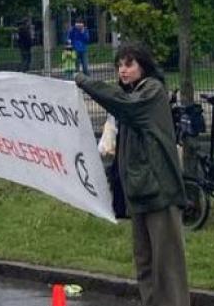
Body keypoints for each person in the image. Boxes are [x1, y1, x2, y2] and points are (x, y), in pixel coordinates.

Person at [76, 45, 190, 306]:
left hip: (159, 192)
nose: (122, 70)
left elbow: (124, 105)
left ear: (144, 66)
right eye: (119, 65)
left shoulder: (150, 92)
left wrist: (84, 82)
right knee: (145, 262)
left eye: (129, 64)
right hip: (139, 192)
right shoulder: (133, 93)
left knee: (167, 266)